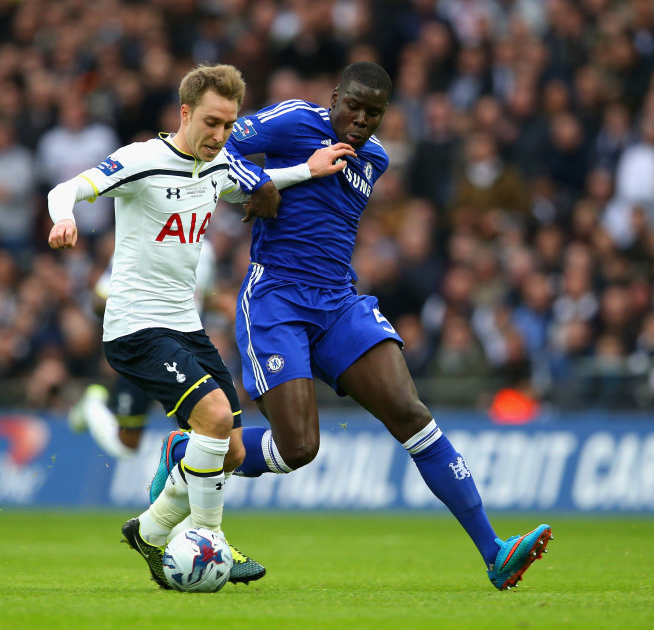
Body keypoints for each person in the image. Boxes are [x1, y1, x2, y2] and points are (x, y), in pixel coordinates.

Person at [154, 62, 552, 591]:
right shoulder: (296, 120)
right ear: (335, 96)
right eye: (354, 106)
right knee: (298, 448)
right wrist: (260, 181)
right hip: (277, 301)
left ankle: (494, 552)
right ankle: (188, 452)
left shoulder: (377, 159)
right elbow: (216, 143)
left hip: (339, 303)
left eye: (374, 113)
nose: (361, 120)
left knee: (411, 413)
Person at [47, 64, 355, 589]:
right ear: (185, 113)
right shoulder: (144, 159)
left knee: (232, 450)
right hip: (135, 327)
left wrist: (310, 167)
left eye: (230, 125)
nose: (220, 136)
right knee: (213, 418)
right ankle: (211, 541)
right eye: (212, 123)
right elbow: (68, 187)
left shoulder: (216, 167)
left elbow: (255, 182)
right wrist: (64, 216)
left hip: (183, 325)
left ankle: (149, 530)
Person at [67, 242, 217, 461]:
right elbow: (99, 301)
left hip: (184, 352)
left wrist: (225, 306)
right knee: (128, 445)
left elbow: (205, 296)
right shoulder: (137, 241)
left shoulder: (205, 250)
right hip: (143, 350)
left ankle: (181, 487)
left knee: (204, 431)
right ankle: (93, 407)